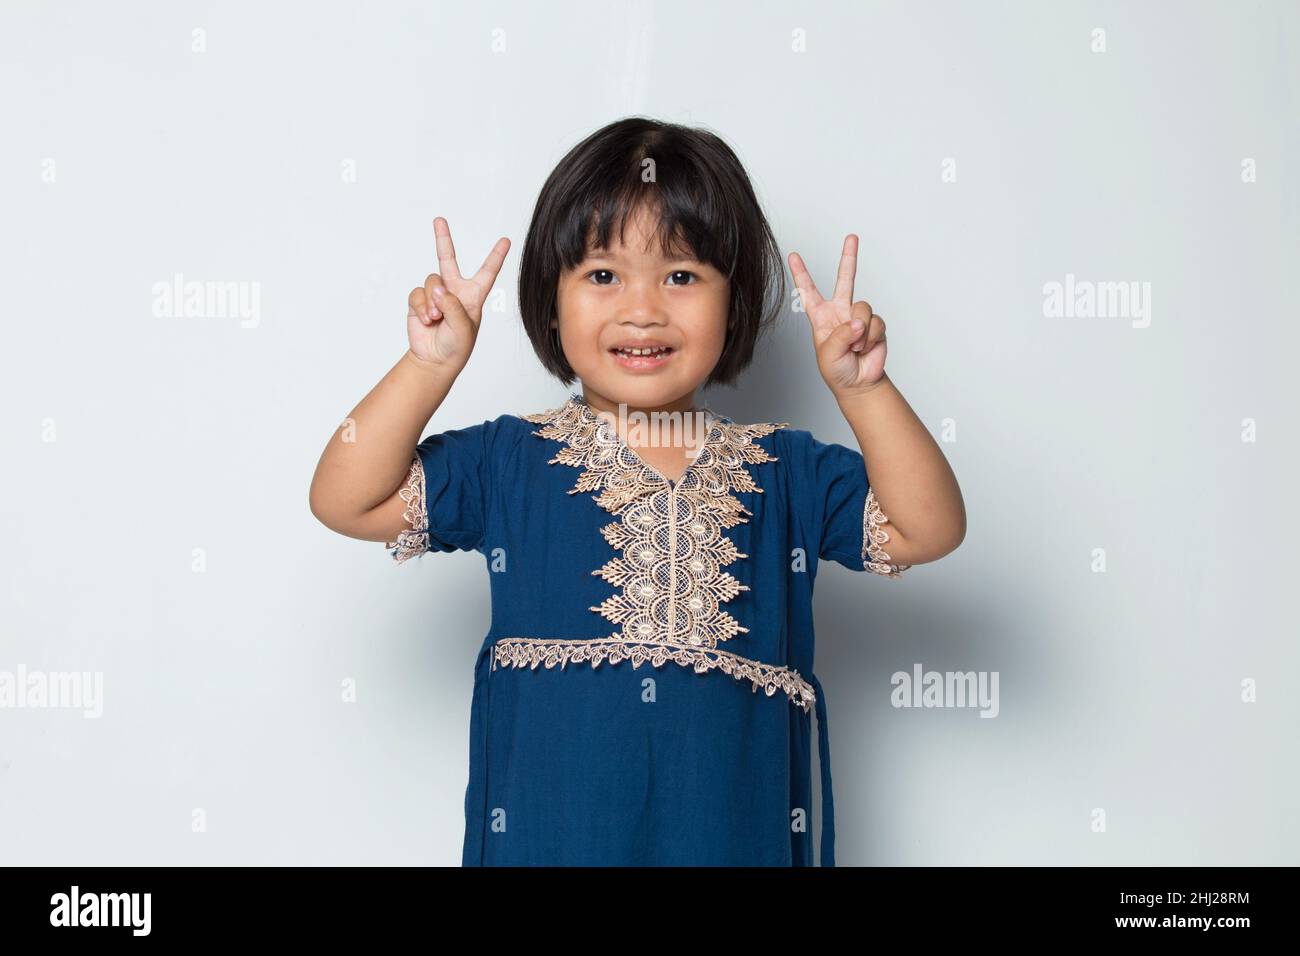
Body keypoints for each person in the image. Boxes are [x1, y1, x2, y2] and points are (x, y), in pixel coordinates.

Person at [309, 117, 966, 865]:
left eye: (682, 276)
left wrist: (863, 392)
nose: (643, 308)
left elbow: (928, 528)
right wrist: (430, 368)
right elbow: (347, 499)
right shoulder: (505, 462)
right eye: (602, 275)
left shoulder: (786, 471)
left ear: (737, 300)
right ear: (550, 302)